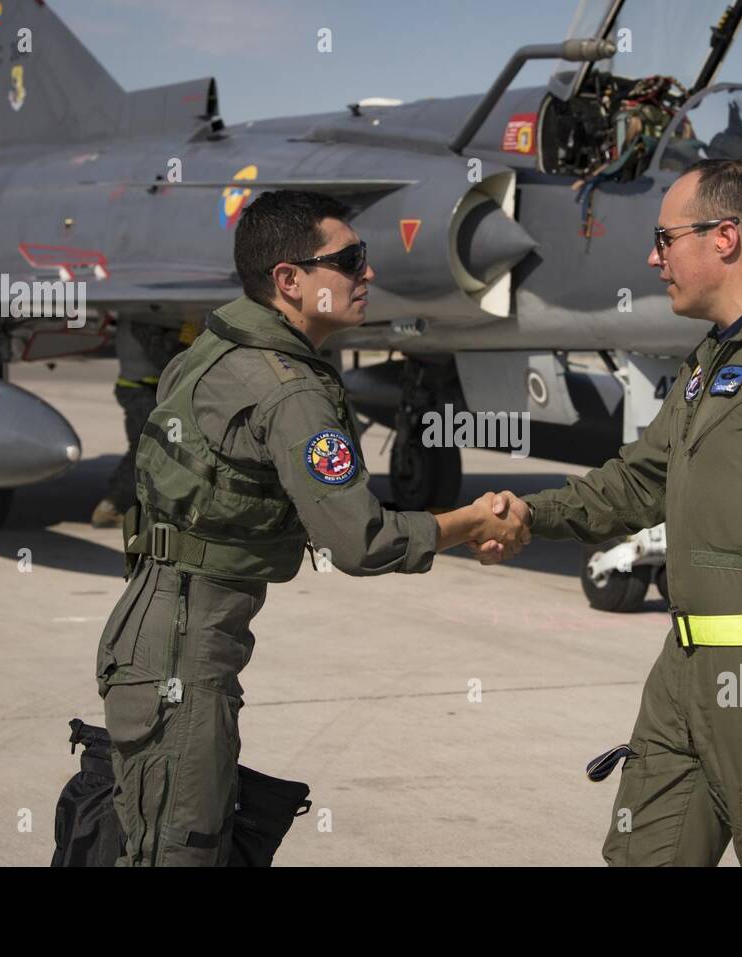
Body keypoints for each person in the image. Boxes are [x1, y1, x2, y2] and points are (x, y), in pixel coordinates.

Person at [476, 158, 742, 866]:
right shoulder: (714, 358)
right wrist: (528, 513)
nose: (652, 255)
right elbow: (639, 482)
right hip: (685, 671)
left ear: (724, 238)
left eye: (664, 237)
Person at [95, 189, 528, 866]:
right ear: (288, 281)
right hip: (183, 655)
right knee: (181, 854)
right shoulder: (290, 391)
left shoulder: (212, 347)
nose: (368, 273)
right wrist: (470, 521)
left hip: (157, 635)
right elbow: (360, 541)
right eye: (350, 259)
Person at [90, 318, 192, 528]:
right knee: (144, 448)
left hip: (148, 389)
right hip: (139, 390)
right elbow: (164, 358)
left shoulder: (144, 312)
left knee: (163, 448)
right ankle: (111, 506)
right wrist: (189, 339)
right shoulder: (142, 316)